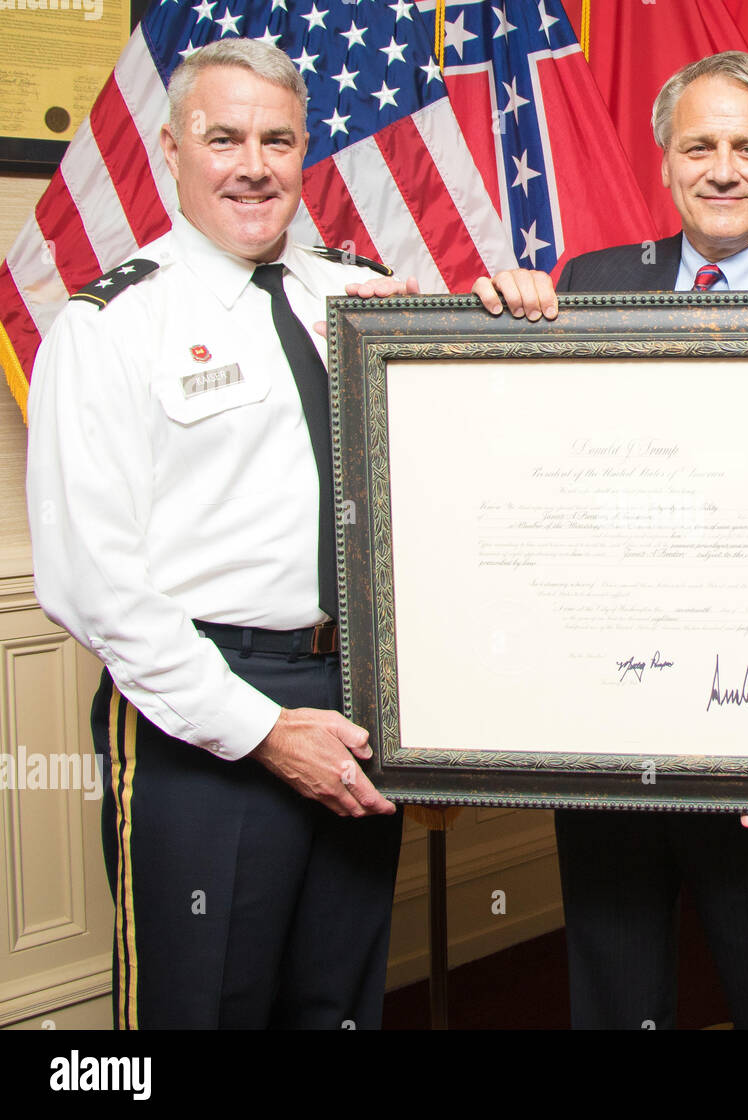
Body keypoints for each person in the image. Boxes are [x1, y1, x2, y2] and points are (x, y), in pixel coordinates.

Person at [474, 50, 748, 1029]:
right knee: (614, 989)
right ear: (665, 162)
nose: (722, 168)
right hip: (611, 729)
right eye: (699, 145)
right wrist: (495, 330)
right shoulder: (585, 283)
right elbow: (528, 481)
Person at [26, 39, 416, 1029]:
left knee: (338, 1001)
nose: (254, 163)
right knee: (203, 1006)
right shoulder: (113, 325)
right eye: (224, 137)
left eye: (278, 139)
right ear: (171, 149)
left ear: (304, 152)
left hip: (356, 698)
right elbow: (90, 579)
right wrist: (260, 730)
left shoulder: (362, 298)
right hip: (199, 710)